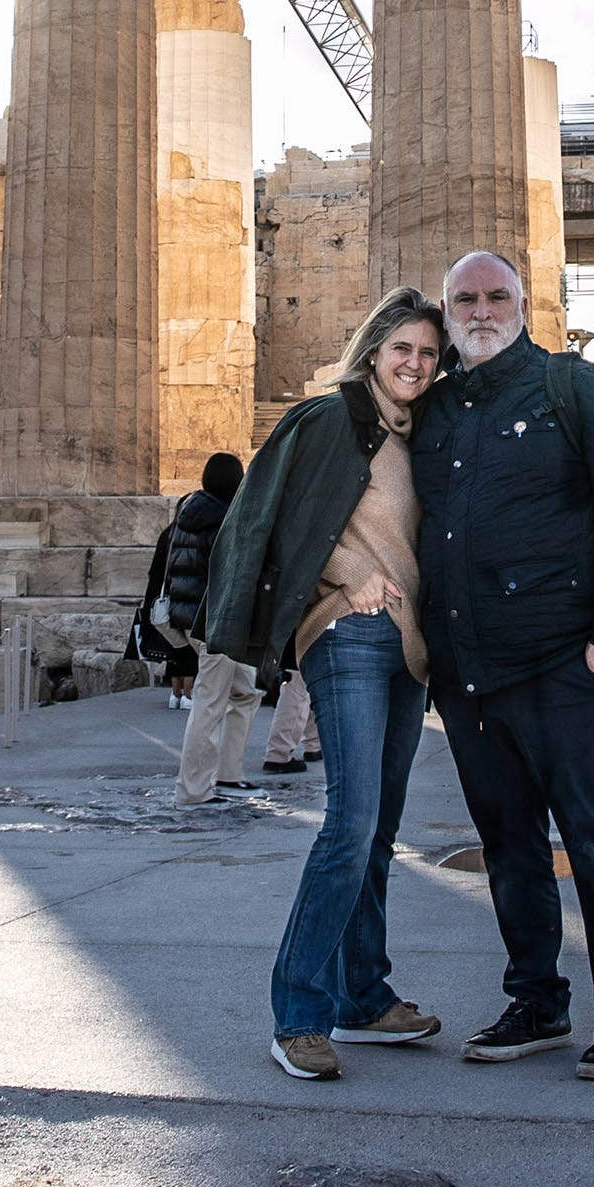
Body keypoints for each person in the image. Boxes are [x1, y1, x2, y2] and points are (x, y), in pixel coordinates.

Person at [413, 250, 594, 1081]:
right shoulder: (439, 407)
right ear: (445, 311)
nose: (480, 310)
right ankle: (537, 999)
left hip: (563, 661)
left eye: (495, 296)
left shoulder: (575, 387)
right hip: (469, 672)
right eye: (464, 299)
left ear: (523, 303)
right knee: (508, 847)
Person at [203, 288, 450, 1082]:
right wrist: (350, 575)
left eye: (428, 353)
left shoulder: (424, 438)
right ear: (373, 348)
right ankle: (299, 1013)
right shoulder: (327, 420)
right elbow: (279, 518)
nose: (414, 363)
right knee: (350, 822)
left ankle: (364, 1001)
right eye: (402, 348)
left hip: (409, 647)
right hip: (346, 631)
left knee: (379, 831)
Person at [149, 453, 254, 798]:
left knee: (246, 692)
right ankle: (193, 790)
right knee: (209, 705)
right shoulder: (224, 519)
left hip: (191, 622)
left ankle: (227, 774)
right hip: (216, 624)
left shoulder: (187, 516)